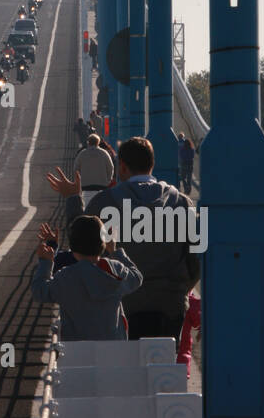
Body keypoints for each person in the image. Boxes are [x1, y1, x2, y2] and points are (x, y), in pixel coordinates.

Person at [46, 136, 201, 345]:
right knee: (164, 369)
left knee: (125, 370)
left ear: (123, 167)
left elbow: (81, 242)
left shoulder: (105, 202)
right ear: (152, 164)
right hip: (170, 304)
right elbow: (196, 258)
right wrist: (181, 289)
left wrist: (73, 197)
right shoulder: (182, 203)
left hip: (122, 305)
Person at [30, 214, 143, 341]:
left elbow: (39, 291)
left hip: (77, 351)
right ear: (102, 243)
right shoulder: (115, 270)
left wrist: (46, 262)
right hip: (114, 348)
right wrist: (114, 251)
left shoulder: (67, 276)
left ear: (72, 245)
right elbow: (137, 278)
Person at [74, 133, 115, 206]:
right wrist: (108, 180)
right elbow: (110, 167)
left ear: (88, 142)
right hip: (101, 186)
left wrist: (79, 181)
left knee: (86, 208)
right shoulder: (104, 153)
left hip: (85, 187)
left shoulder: (82, 153)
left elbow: (76, 169)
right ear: (98, 142)